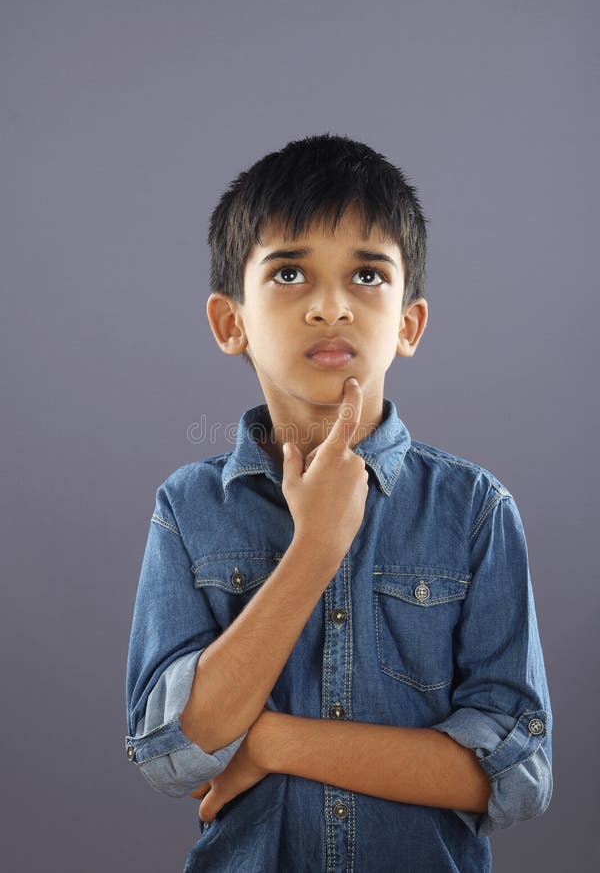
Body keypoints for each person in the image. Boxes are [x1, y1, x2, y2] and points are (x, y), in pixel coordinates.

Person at [124, 133, 553, 872]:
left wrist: (271, 742)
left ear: (409, 324)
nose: (331, 307)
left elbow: (510, 775)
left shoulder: (474, 510)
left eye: (367, 275)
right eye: (290, 272)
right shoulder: (190, 509)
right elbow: (174, 753)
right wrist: (316, 547)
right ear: (232, 323)